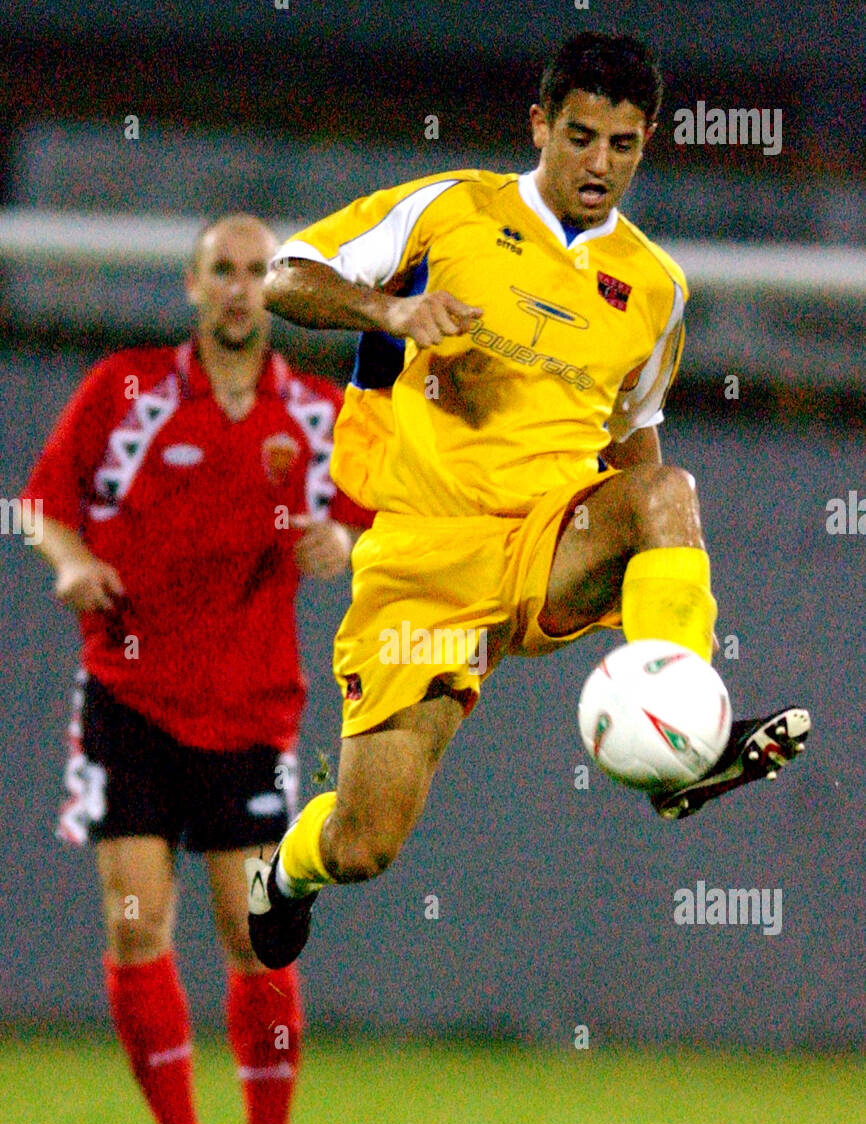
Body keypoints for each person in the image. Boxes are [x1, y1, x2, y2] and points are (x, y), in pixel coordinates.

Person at [245, 33, 809, 971]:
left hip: (550, 538)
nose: (599, 165)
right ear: (540, 124)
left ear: (646, 143)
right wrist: (390, 311)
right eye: (580, 137)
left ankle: (688, 741)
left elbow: (635, 440)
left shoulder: (655, 289)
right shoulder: (450, 211)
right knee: (366, 844)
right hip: (424, 560)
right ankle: (286, 874)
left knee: (666, 489)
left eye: (622, 145)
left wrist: (647, 535)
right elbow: (282, 278)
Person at [21, 214, 371, 1124]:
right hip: (128, 696)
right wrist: (74, 558)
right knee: (136, 923)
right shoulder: (124, 391)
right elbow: (44, 504)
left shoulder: (310, 414)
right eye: (221, 269)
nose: (237, 286)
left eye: (258, 271)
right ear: (190, 284)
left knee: (253, 931)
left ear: (276, 290)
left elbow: (367, 506)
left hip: (250, 711)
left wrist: (340, 541)